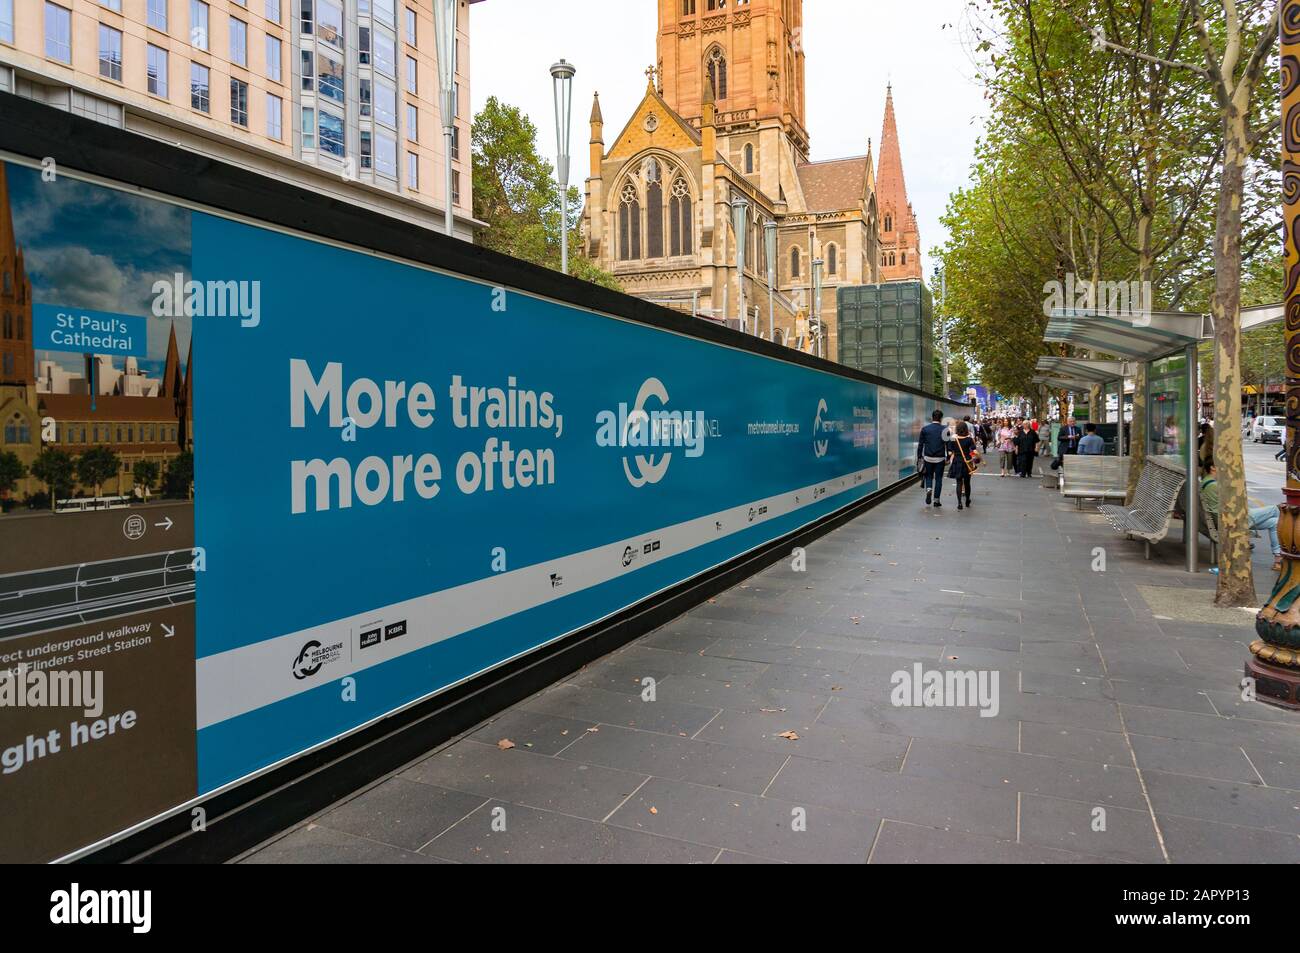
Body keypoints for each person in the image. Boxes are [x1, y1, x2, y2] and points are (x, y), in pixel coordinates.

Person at [1201, 460, 1281, 572]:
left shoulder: (1207, 482)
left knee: (1275, 522)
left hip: (1227, 519)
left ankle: (1278, 559)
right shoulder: (1213, 486)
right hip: (1233, 521)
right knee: (1276, 509)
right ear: (1213, 467)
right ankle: (1288, 551)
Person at [917, 410, 950, 507]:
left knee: (928, 476)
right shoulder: (945, 430)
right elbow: (948, 445)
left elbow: (920, 444)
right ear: (941, 419)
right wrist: (948, 457)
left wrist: (919, 456)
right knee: (939, 479)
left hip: (928, 457)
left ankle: (929, 489)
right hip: (940, 458)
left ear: (932, 418)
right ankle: (936, 500)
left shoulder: (925, 429)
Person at [948, 420, 979, 510]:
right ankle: (967, 500)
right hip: (967, 462)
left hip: (957, 462)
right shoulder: (969, 439)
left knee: (958, 482)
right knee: (967, 482)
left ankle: (959, 503)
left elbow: (950, 452)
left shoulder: (953, 439)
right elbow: (974, 450)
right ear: (966, 429)